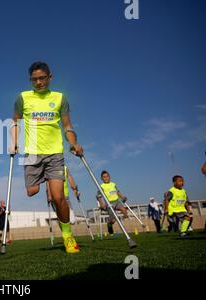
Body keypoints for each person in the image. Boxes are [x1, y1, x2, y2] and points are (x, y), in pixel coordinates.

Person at [12, 61, 83, 254]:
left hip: (55, 153)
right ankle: (44, 180)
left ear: (50, 77)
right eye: (34, 79)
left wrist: (73, 143)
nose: (38, 82)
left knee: (59, 197)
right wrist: (14, 142)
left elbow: (67, 125)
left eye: (42, 78)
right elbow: (15, 122)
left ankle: (67, 235)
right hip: (32, 153)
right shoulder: (23, 98)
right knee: (32, 191)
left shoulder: (60, 98)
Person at [96, 170, 128, 236]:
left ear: (109, 177)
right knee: (113, 220)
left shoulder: (113, 184)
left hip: (117, 201)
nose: (106, 178)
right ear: (102, 178)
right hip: (109, 203)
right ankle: (109, 224)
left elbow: (117, 192)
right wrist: (102, 204)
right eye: (104, 177)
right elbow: (98, 196)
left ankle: (124, 225)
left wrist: (122, 197)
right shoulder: (102, 186)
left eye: (107, 176)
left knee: (124, 210)